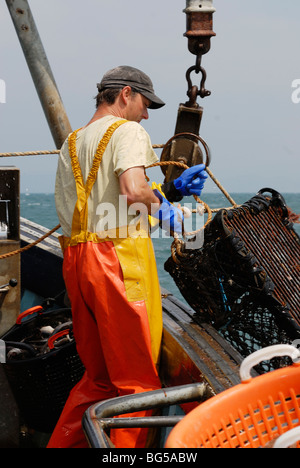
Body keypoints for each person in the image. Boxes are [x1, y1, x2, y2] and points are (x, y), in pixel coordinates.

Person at [47, 66, 207, 449]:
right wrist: (166, 214)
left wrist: (168, 194)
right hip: (117, 262)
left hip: (77, 261)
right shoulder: (128, 131)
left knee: (99, 381)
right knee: (137, 384)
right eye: (146, 104)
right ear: (126, 94)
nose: (147, 115)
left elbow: (101, 199)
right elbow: (133, 191)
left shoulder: (73, 141)